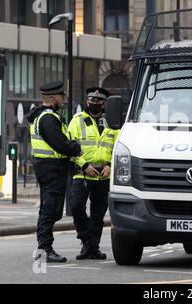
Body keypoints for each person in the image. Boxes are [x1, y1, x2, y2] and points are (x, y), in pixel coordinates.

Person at [27, 81, 82, 263]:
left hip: (49, 168)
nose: (62, 100)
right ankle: (45, 248)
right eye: (60, 97)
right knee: (50, 209)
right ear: (52, 98)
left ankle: (44, 247)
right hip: (51, 169)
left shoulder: (42, 116)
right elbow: (59, 143)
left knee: (51, 209)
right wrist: (75, 149)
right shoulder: (48, 118)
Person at [68, 87, 120, 260]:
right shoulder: (77, 120)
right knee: (76, 207)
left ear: (104, 103)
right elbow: (70, 146)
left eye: (98, 101)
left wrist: (111, 165)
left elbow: (119, 147)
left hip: (104, 174)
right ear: (87, 101)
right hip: (82, 172)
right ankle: (86, 240)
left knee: (98, 213)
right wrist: (84, 166)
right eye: (91, 100)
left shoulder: (113, 122)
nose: (94, 103)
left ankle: (92, 248)